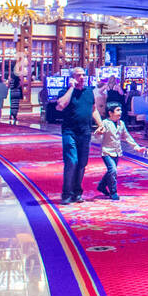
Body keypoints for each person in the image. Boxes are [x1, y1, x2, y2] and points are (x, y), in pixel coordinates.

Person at [55, 67, 99, 204]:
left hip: (85, 132)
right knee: (71, 162)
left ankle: (77, 193)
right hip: (70, 132)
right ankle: (67, 194)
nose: (82, 77)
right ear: (72, 77)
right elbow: (61, 105)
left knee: (81, 164)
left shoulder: (89, 92)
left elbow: (93, 110)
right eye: (78, 75)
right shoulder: (65, 92)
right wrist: (71, 88)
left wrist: (100, 124)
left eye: (83, 75)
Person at [95, 102, 148, 201]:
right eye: (118, 110)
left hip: (117, 152)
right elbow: (98, 135)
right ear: (110, 113)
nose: (120, 112)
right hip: (106, 152)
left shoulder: (121, 123)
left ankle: (102, 185)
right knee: (113, 170)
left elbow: (127, 136)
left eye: (120, 110)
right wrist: (98, 133)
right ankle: (113, 192)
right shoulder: (105, 123)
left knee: (111, 171)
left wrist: (137, 147)